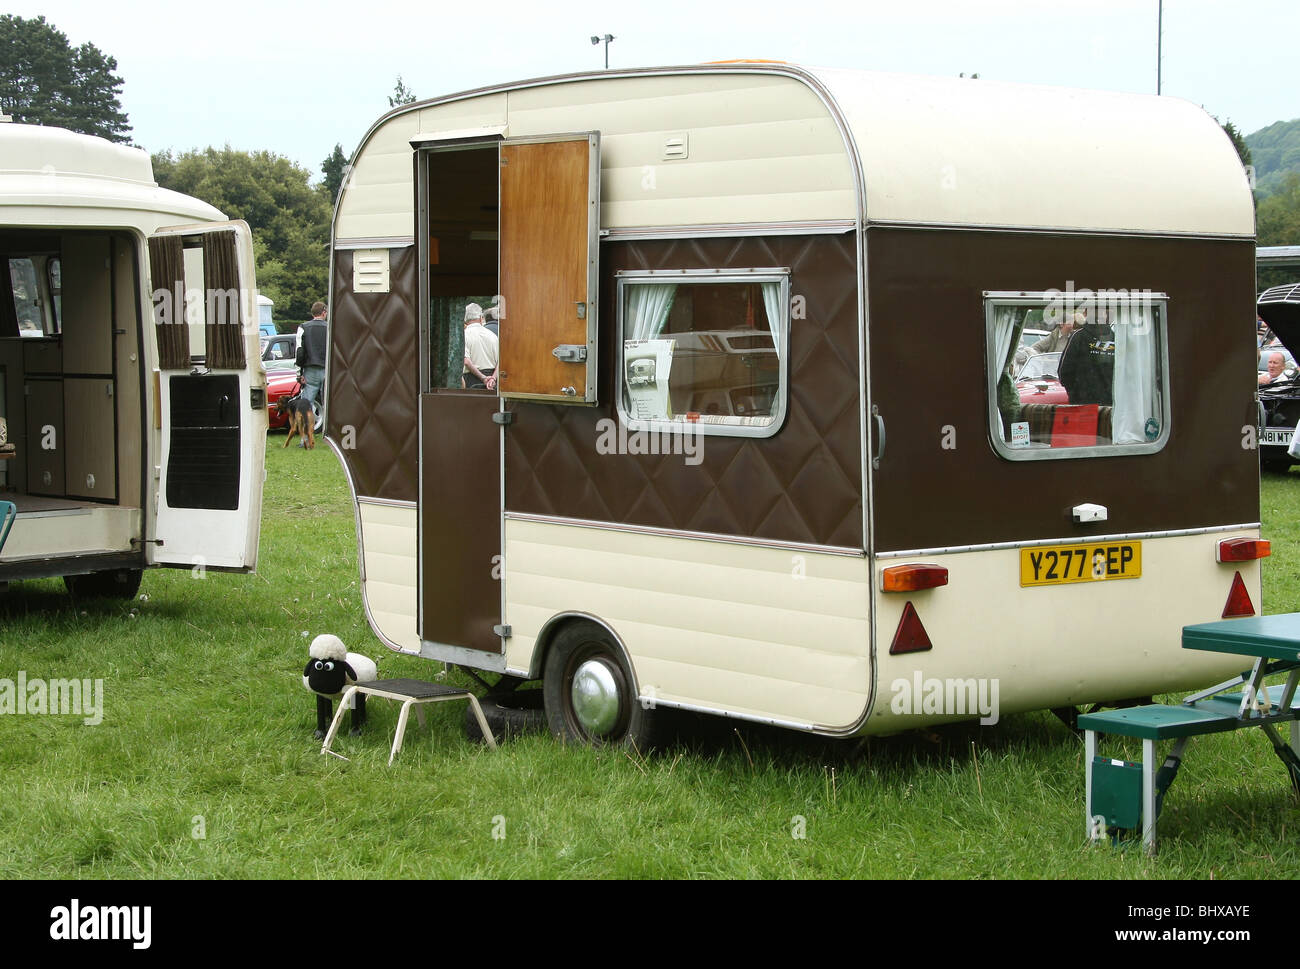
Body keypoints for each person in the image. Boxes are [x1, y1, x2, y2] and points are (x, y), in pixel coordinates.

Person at [295, 302, 328, 446]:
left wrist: (299, 372)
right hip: (328, 369)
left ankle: (305, 440)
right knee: (331, 404)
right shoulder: (330, 327)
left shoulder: (303, 327)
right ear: (324, 312)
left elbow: (299, 351)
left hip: (310, 369)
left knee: (307, 405)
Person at [462, 302, 499, 390]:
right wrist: (493, 378)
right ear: (480, 317)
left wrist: (483, 378)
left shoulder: (464, 335)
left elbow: (466, 361)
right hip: (492, 381)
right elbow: (500, 361)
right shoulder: (493, 336)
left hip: (472, 379)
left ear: (465, 319)